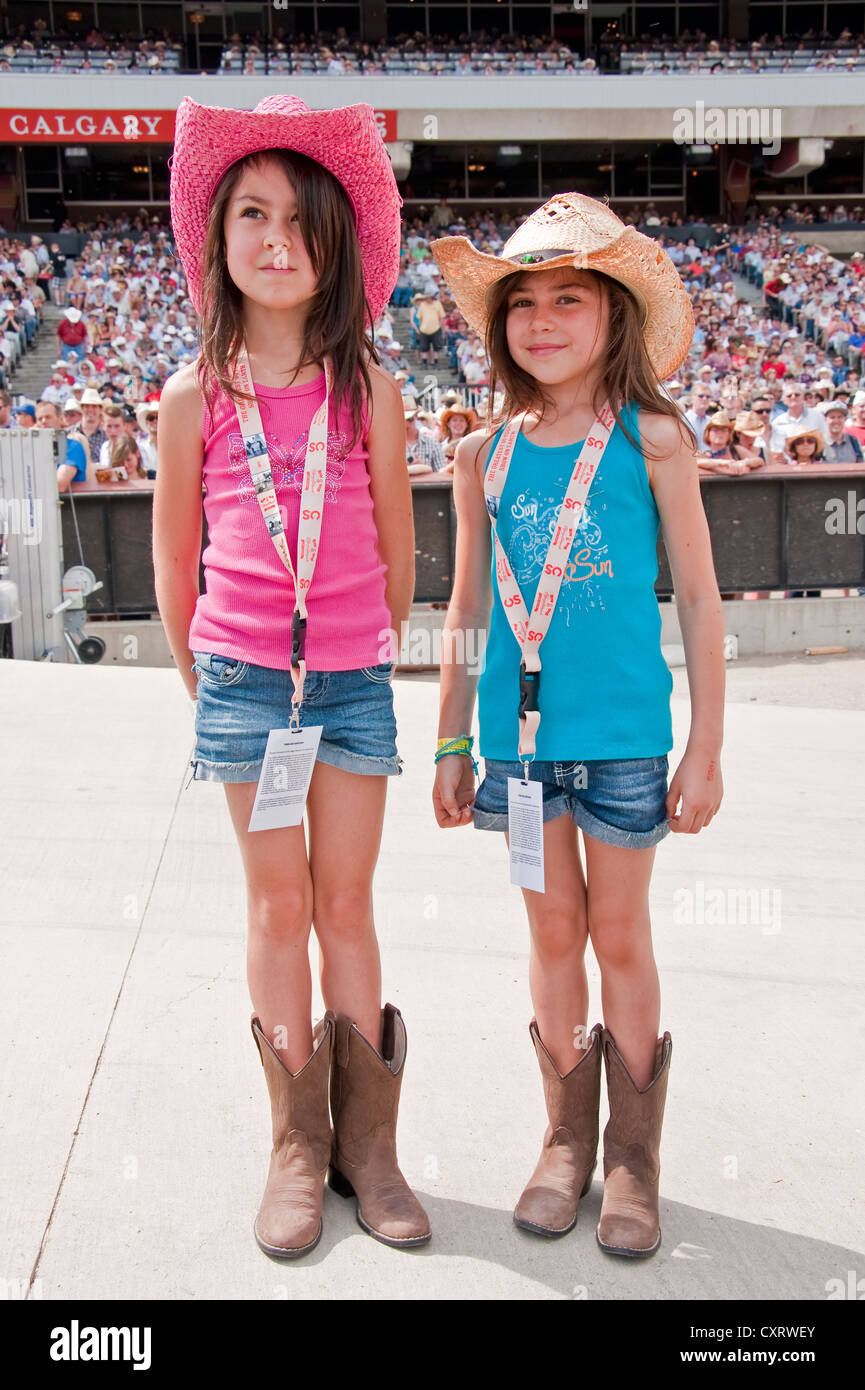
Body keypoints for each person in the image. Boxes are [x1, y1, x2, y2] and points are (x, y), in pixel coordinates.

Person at [153, 93, 430, 1261]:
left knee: (347, 904)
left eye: (299, 220)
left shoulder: (370, 390)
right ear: (217, 236)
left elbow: (400, 553)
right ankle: (294, 1143)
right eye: (250, 214)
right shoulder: (189, 394)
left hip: (353, 682)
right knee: (275, 907)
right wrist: (213, 678)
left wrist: (350, 646)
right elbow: (177, 561)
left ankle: (368, 1144)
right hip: (247, 683)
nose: (275, 239)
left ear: (338, 244)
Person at [430, 193, 725, 1257]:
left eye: (569, 297)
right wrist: (453, 738)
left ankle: (633, 1163)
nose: (542, 320)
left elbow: (696, 596)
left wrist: (706, 744)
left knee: (618, 935)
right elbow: (464, 610)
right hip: (513, 750)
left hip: (625, 741)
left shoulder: (654, 439)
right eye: (524, 302)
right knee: (551, 938)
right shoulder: (484, 457)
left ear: (614, 316)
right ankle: (564, 1143)